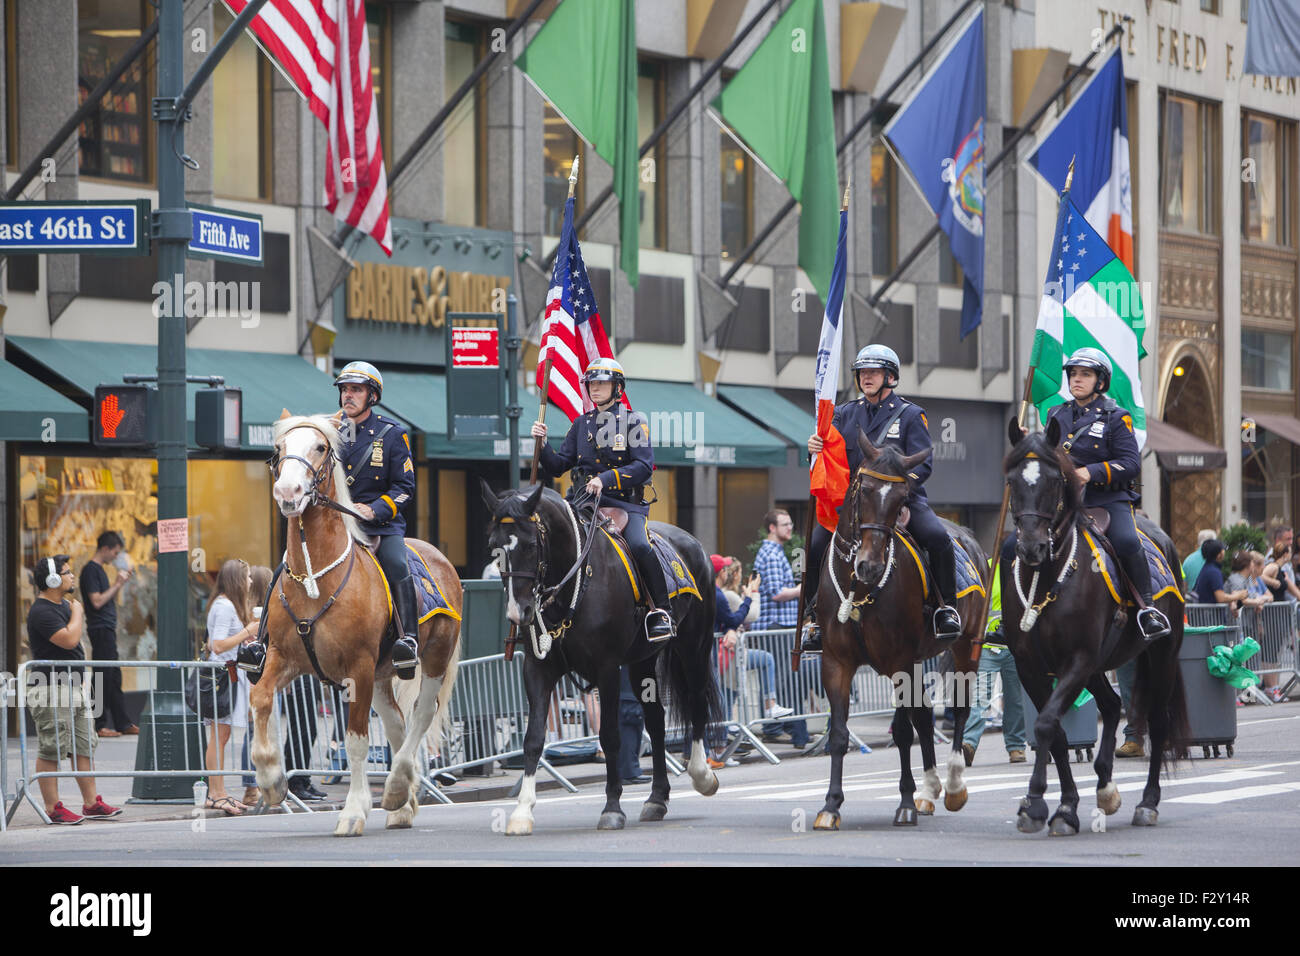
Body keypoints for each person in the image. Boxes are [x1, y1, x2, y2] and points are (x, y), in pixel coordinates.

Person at [803, 344, 961, 651]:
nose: (866, 378)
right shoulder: (845, 414)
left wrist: (899, 496)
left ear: (890, 377)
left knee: (937, 538)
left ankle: (946, 609)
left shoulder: (911, 415)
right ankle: (815, 619)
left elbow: (923, 463)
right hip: (855, 507)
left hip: (900, 500)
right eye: (862, 373)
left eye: (874, 372)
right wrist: (812, 448)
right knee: (815, 546)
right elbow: (830, 458)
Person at [1007, 348, 1171, 642]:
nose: (1076, 379)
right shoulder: (1056, 414)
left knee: (1127, 541)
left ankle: (1147, 609)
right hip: (1067, 502)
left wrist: (1090, 472)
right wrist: (1026, 440)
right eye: (1073, 374)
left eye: (1085, 374)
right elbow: (1048, 455)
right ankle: (1010, 615)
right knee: (1013, 545)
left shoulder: (1116, 417)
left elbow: (1131, 463)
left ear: (1100, 381)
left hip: (1107, 500)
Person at [531, 357, 674, 641]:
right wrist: (543, 445)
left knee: (640, 546)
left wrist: (605, 479)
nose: (594, 389)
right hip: (583, 503)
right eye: (591, 384)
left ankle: (661, 611)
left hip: (624, 504)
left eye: (601, 383)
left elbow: (644, 466)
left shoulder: (634, 422)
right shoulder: (580, 424)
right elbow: (559, 465)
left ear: (617, 388)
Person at [25, 555, 123, 824]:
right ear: (53, 580)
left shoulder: (64, 606)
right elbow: (69, 640)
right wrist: (78, 613)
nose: (72, 577)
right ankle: (52, 807)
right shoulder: (42, 611)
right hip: (50, 687)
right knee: (52, 747)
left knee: (84, 746)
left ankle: (91, 803)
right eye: (67, 573)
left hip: (73, 687)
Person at [203, 559, 259, 815]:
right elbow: (217, 645)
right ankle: (215, 793)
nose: (250, 582)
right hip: (222, 677)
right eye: (247, 577)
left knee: (221, 737)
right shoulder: (225, 606)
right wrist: (247, 630)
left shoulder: (225, 605)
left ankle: (219, 791)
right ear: (237, 579)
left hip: (227, 676)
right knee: (218, 736)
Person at [752, 510, 811, 747]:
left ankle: (778, 727)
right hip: (776, 625)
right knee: (785, 681)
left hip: (778, 624)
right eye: (785, 524)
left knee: (781, 680)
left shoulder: (773, 552)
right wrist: (802, 588)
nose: (790, 528)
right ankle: (779, 728)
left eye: (791, 523)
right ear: (772, 528)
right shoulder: (772, 554)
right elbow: (777, 593)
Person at [712, 554, 791, 721]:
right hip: (731, 652)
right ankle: (767, 707)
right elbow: (750, 615)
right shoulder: (726, 595)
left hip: (731, 651)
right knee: (730, 691)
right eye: (740, 571)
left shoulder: (725, 594)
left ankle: (728, 729)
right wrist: (753, 593)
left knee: (728, 694)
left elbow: (736, 618)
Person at [961, 562, 1026, 766]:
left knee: (1015, 700)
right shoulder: (986, 567)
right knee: (980, 695)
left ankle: (1016, 746)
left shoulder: (1025, 569)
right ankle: (969, 743)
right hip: (988, 644)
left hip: (1014, 646)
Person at [80, 530, 136, 738]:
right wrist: (118, 585)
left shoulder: (99, 570)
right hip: (100, 628)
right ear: (105, 549)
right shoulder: (90, 571)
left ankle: (122, 722)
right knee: (103, 675)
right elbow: (97, 601)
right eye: (114, 552)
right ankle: (99, 724)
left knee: (113, 675)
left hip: (106, 628)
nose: (115, 557)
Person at [1192, 539, 1242, 607]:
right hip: (1209, 616)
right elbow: (1220, 598)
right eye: (1223, 549)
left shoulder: (1207, 568)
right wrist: (1238, 596)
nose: (1224, 552)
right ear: (1219, 555)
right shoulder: (1214, 572)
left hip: (1206, 614)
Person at [1180, 529, 1217, 599]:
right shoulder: (1213, 559)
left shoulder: (1188, 560)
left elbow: (1184, 587)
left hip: (1192, 604)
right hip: (1210, 602)